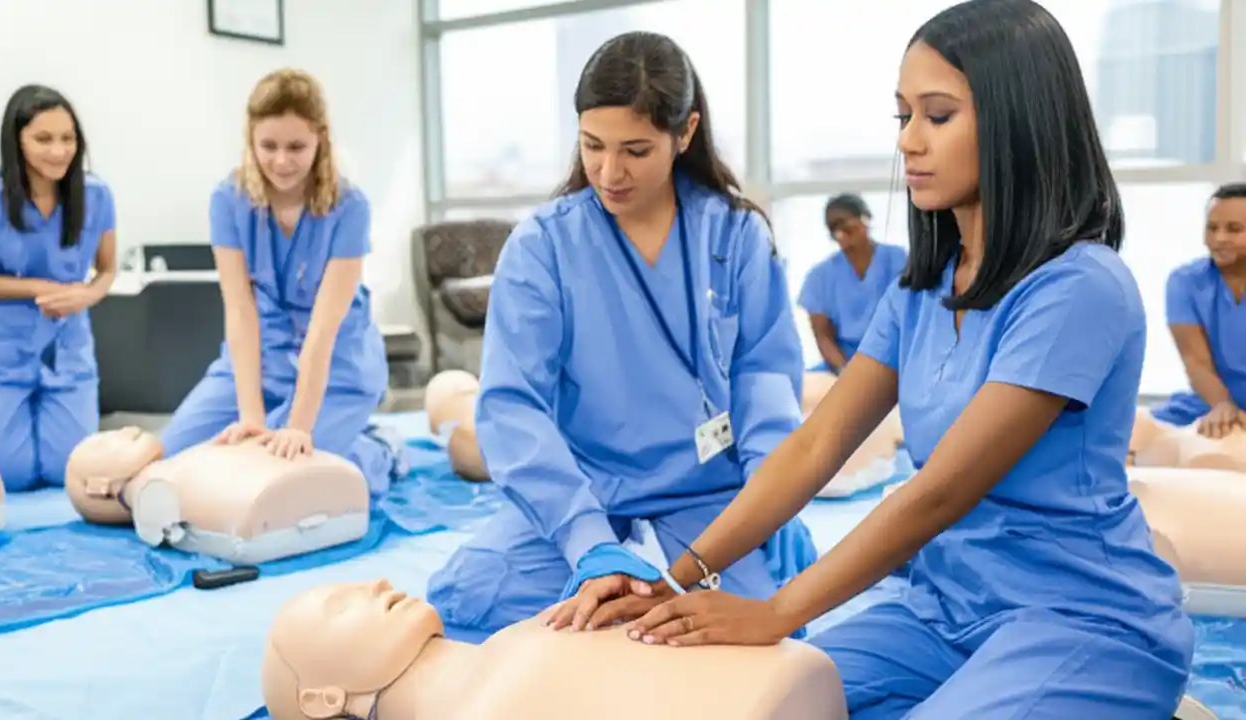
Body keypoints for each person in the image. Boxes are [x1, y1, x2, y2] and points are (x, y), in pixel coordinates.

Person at [553, 2, 1195, 717]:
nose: (908, 141)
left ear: (1020, 121)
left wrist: (776, 613)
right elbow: (816, 444)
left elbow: (940, 493)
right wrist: (675, 581)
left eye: (937, 116)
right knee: (747, 705)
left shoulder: (1079, 287)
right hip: (940, 611)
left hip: (1079, 621)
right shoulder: (921, 291)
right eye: (903, 116)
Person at [425, 31, 816, 633]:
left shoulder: (735, 236)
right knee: (469, 597)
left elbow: (764, 377)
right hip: (584, 496)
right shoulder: (543, 246)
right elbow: (513, 404)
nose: (609, 173)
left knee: (756, 628)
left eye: (635, 150)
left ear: (685, 133)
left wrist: (771, 498)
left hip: (708, 499)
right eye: (592, 146)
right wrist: (586, 542)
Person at [159, 69, 393, 495]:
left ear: (321, 139)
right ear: (250, 139)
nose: (282, 162)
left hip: (337, 365)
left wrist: (298, 427)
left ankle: (379, 451)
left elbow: (323, 331)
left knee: (289, 478)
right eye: (268, 146)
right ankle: (290, 427)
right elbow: (239, 310)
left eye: (296, 147)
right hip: (261, 356)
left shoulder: (350, 207)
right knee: (171, 462)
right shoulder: (228, 199)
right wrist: (251, 419)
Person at [260, 580, 846, 720]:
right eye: (342, 605)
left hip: (788, 679)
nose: (378, 585)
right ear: (321, 700)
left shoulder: (511, 643)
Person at [0, 85, 117, 492]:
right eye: (44, 139)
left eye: (68, 138)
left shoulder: (97, 195)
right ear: (17, 141)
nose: (59, 151)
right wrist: (39, 287)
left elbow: (107, 269)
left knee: (66, 470)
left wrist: (87, 294)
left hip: (66, 347)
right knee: (9, 476)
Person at [64, 426, 370, 563]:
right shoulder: (153, 489)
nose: (124, 429)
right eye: (105, 442)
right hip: (268, 504)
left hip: (284, 488)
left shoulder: (179, 463)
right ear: (99, 488)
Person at [1150, 183, 1246, 439]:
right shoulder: (1185, 281)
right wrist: (1222, 406)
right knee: (1135, 431)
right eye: (1212, 228)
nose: (1219, 238)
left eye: (1234, 229)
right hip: (1209, 403)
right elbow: (1195, 360)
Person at [796, 194, 907, 374]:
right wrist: (845, 373)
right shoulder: (820, 276)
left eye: (847, 227)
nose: (842, 235)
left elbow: (914, 319)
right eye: (834, 229)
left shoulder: (898, 260)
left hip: (897, 361)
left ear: (865, 220)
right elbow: (823, 336)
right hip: (845, 365)